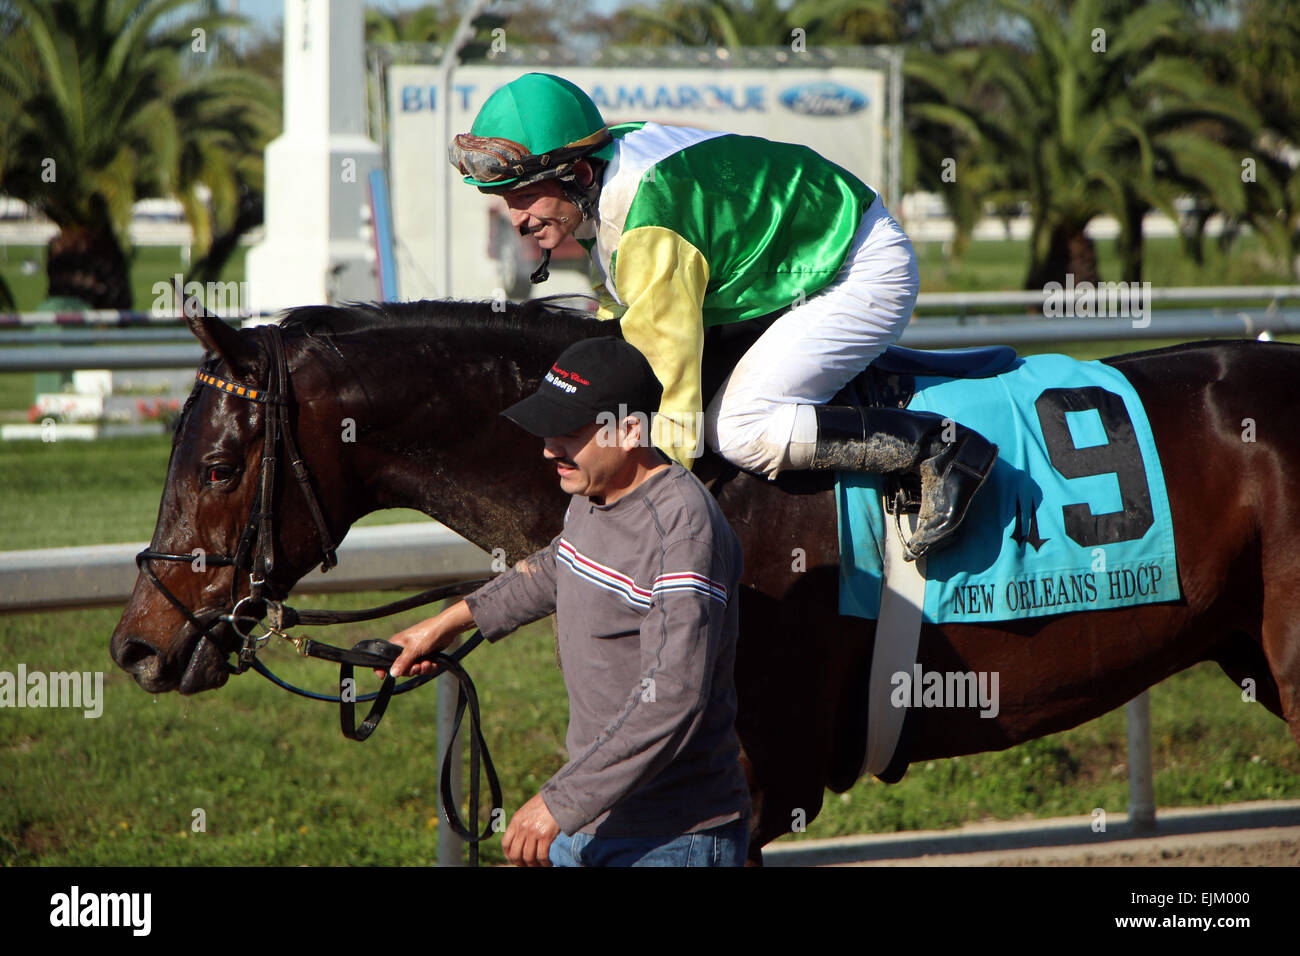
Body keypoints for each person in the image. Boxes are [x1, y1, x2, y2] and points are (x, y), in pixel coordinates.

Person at [449, 72, 998, 560]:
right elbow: (625, 332)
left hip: (858, 269)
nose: (515, 220)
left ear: (581, 177)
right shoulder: (604, 169)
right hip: (797, 260)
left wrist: (643, 512)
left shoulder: (644, 220)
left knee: (738, 428)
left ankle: (938, 447)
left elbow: (669, 385)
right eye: (504, 200)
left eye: (524, 197)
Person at [386, 336, 750, 867]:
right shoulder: (594, 495)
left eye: (569, 433)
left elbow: (674, 693)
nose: (548, 449)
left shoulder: (683, 530)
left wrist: (559, 803)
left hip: (672, 837)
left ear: (629, 431)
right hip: (592, 818)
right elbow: (561, 563)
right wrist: (447, 624)